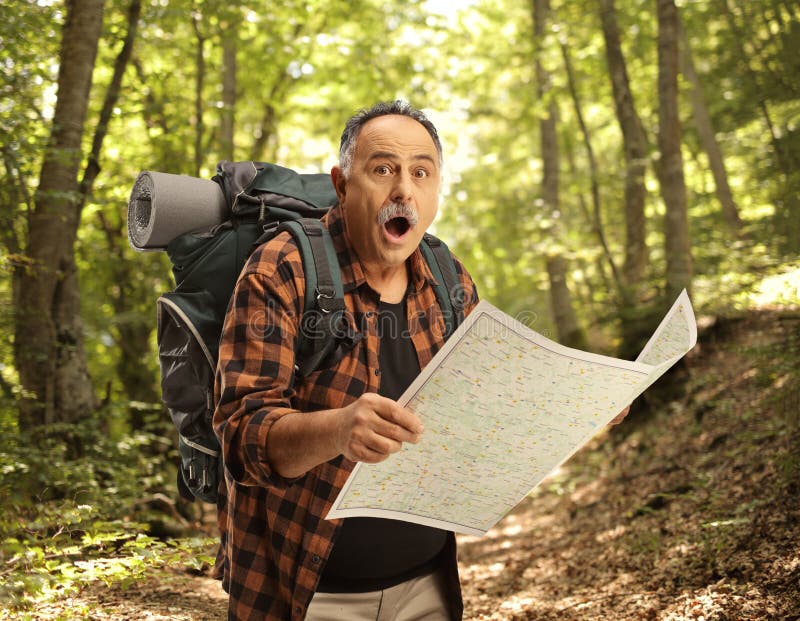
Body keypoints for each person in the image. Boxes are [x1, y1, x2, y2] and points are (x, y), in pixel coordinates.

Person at [213, 100, 479, 621]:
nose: (404, 188)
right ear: (342, 184)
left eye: (421, 172)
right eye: (383, 169)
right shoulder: (281, 269)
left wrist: (574, 407)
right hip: (308, 594)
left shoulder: (447, 277)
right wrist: (338, 430)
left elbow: (480, 406)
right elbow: (241, 440)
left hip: (429, 586)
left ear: (436, 191)